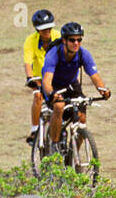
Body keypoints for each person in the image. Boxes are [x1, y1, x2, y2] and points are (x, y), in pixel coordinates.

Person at [41, 21, 111, 153]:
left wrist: (103, 90)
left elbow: (94, 75)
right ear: (64, 41)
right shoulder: (53, 54)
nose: (76, 43)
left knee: (82, 117)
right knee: (59, 106)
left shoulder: (83, 54)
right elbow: (46, 81)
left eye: (79, 40)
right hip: (53, 85)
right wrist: (52, 94)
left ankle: (74, 154)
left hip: (71, 85)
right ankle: (54, 145)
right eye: (72, 40)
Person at [23, 9, 60, 145]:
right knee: (38, 96)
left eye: (49, 28)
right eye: (43, 29)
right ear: (37, 30)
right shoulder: (30, 41)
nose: (47, 31)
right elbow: (28, 62)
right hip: (39, 76)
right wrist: (29, 78)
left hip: (56, 75)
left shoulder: (58, 36)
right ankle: (35, 130)